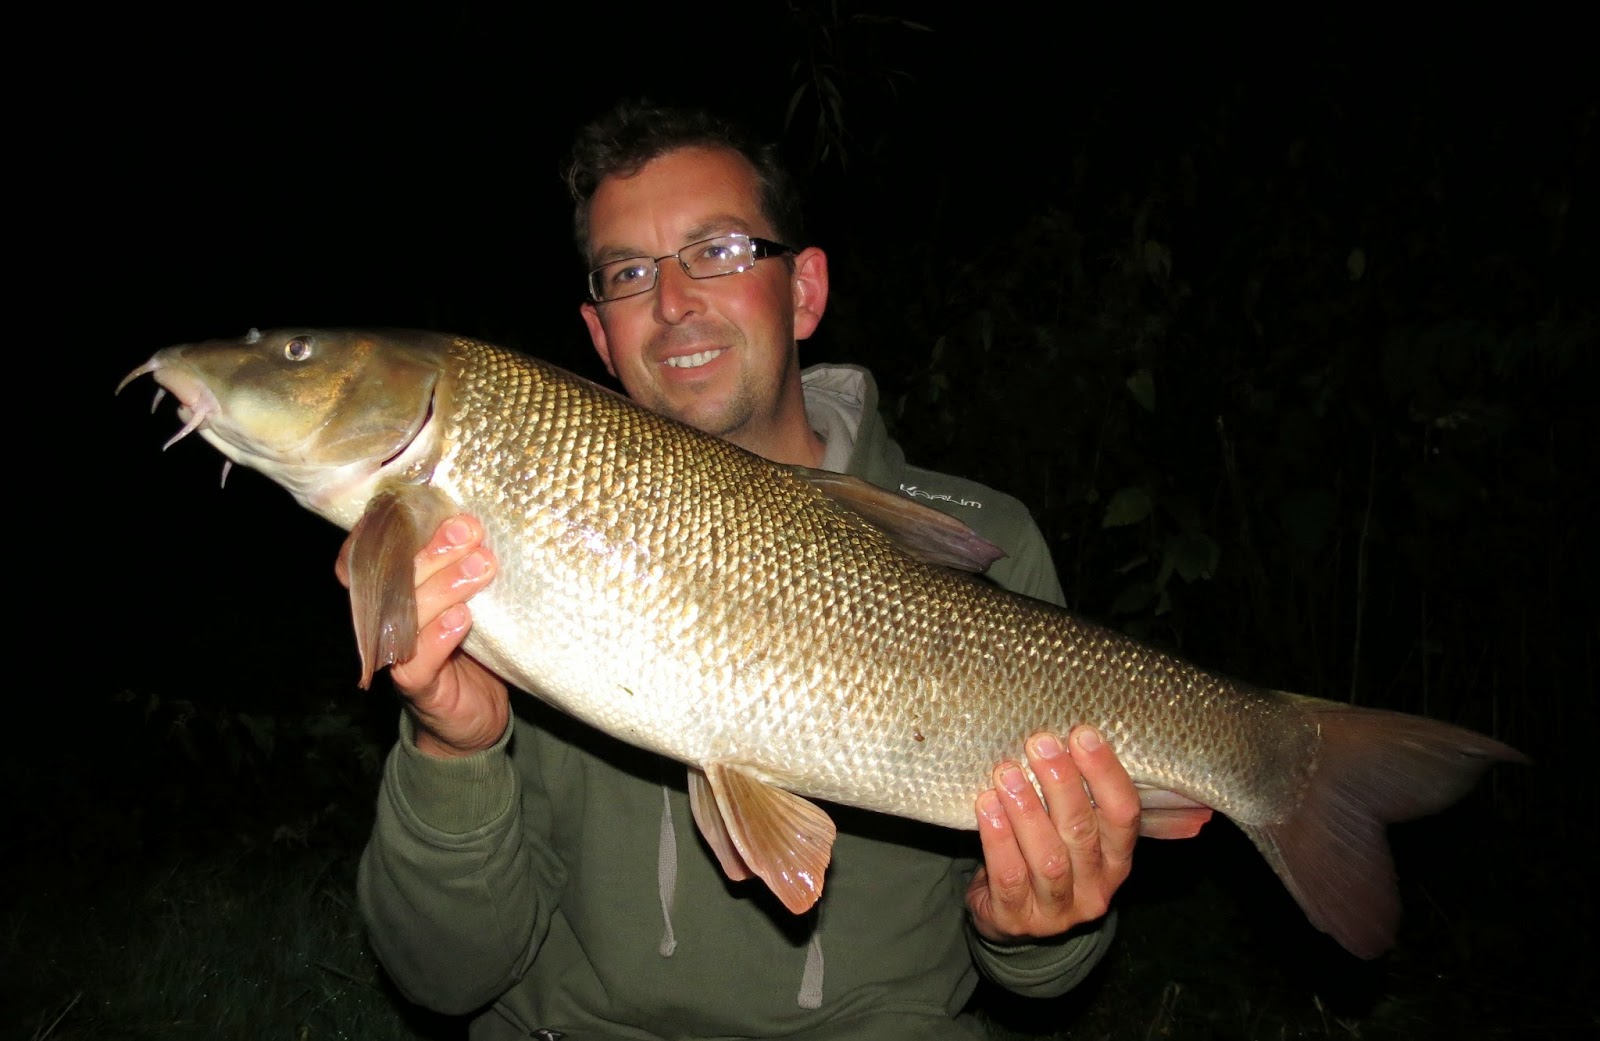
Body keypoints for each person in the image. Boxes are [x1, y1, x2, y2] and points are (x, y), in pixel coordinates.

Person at [349, 101, 1154, 1040]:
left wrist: (1033, 926)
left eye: (719, 251)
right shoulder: (510, 552)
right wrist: (453, 748)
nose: (672, 300)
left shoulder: (988, 540)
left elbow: (1046, 971)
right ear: (600, 336)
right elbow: (441, 977)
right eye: (629, 273)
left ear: (804, 290)